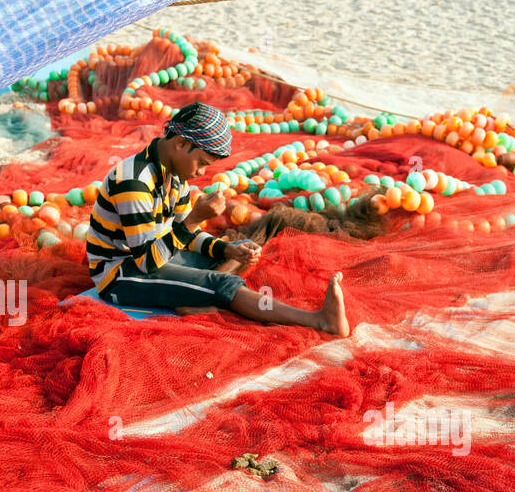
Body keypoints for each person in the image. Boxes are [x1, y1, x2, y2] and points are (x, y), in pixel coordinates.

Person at [85, 101, 348, 336]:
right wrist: (193, 219)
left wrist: (228, 248)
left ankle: (191, 295)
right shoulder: (135, 181)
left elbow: (182, 235)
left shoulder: (174, 173)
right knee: (222, 282)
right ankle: (320, 321)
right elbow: (147, 262)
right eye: (201, 162)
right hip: (121, 273)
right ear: (180, 143)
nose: (201, 171)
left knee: (234, 251)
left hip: (158, 254)